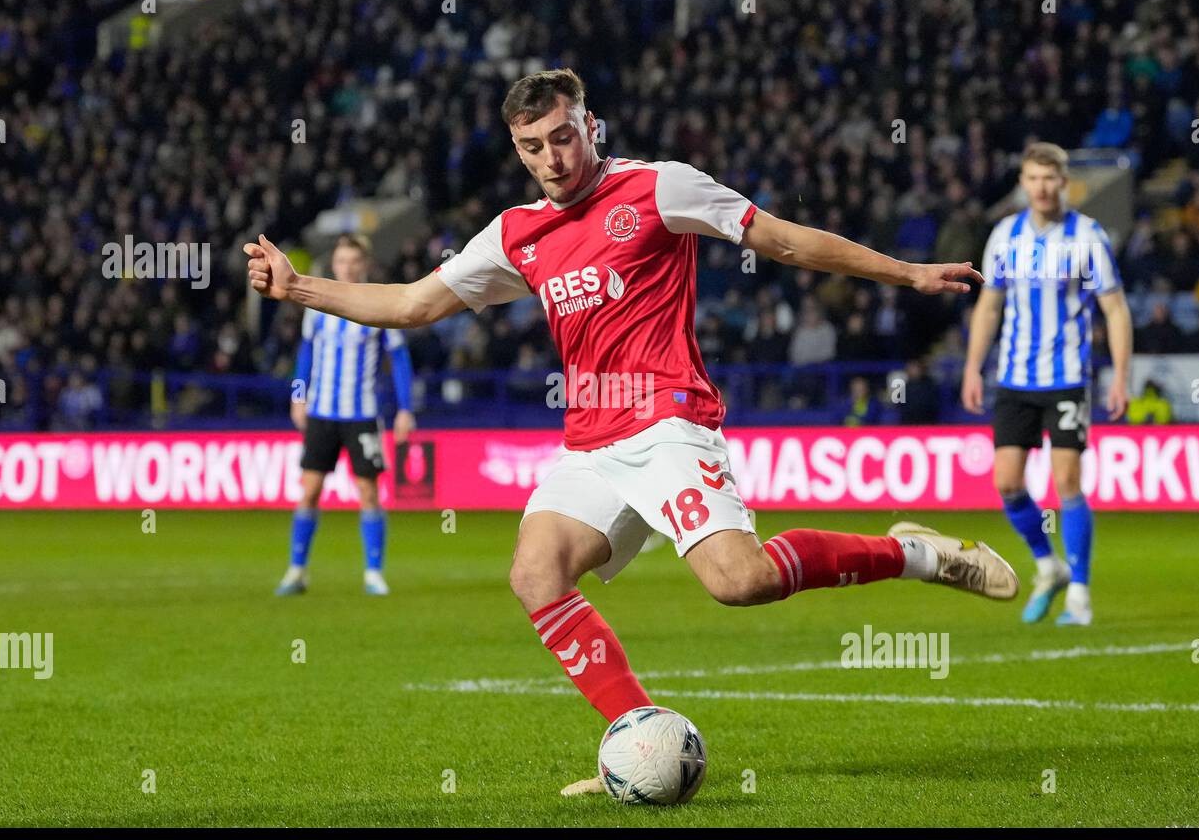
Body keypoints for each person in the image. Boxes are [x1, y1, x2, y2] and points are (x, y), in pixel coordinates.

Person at [247, 68, 1018, 793]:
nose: (550, 157)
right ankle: (636, 737)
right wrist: (298, 286)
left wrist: (910, 273)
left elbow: (782, 239)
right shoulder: (516, 234)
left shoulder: (658, 188)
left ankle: (917, 553)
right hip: (590, 443)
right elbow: (413, 304)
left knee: (738, 583)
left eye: (561, 136)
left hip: (670, 423)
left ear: (589, 125)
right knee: (534, 574)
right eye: (531, 146)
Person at [962, 142, 1134, 627]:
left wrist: (1121, 374)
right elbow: (989, 305)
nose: (1041, 187)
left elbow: (1115, 308)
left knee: (1067, 482)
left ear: (1064, 183)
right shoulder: (1005, 235)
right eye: (1033, 178)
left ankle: (1079, 594)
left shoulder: (1087, 237)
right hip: (1014, 379)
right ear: (1023, 182)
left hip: (1067, 379)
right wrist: (973, 366)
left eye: (1050, 178)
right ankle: (1048, 564)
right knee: (1007, 482)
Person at [274, 234, 416, 597]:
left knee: (368, 492)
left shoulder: (378, 305)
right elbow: (305, 354)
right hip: (322, 412)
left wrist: (405, 409)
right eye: (341, 261)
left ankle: (373, 573)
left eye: (354, 261)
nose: (347, 267)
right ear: (333, 264)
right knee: (310, 490)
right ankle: (297, 570)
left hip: (363, 414)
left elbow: (399, 359)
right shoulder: (317, 305)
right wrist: (298, 396)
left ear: (364, 264)